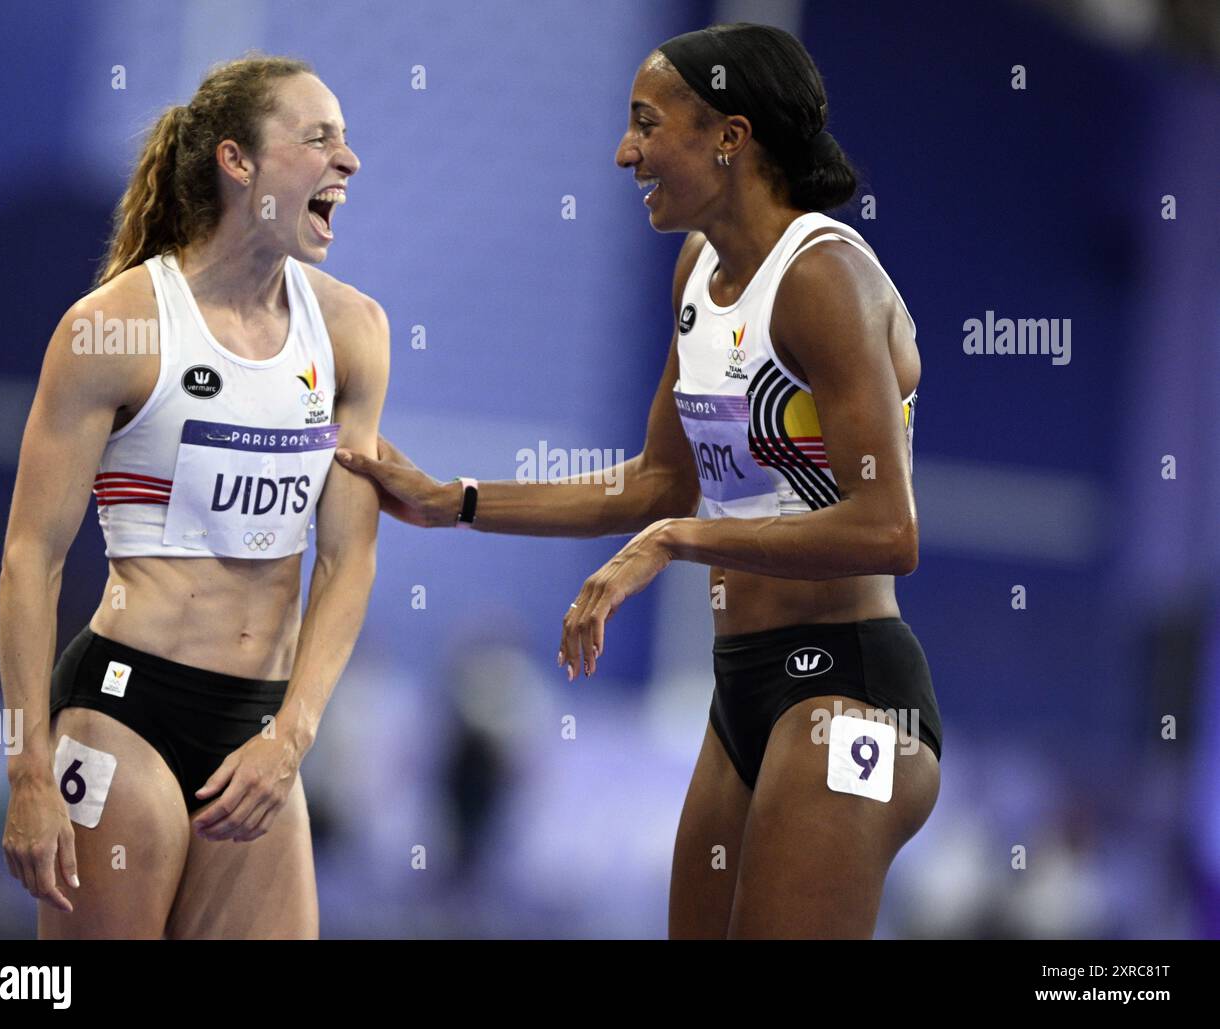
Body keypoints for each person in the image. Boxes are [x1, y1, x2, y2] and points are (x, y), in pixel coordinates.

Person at [335, 23, 941, 939]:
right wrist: (454, 501)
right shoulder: (698, 269)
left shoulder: (824, 278)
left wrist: (676, 539)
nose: (625, 152)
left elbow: (889, 530)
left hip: (850, 689)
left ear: (729, 137)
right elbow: (660, 480)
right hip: (743, 690)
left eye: (646, 124)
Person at [0, 54, 388, 939]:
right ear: (236, 162)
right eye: (317, 138)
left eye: (346, 138)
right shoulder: (114, 328)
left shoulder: (354, 332)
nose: (348, 159)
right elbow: (31, 557)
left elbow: (347, 558)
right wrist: (27, 769)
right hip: (125, 708)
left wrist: (292, 734)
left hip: (257, 731)